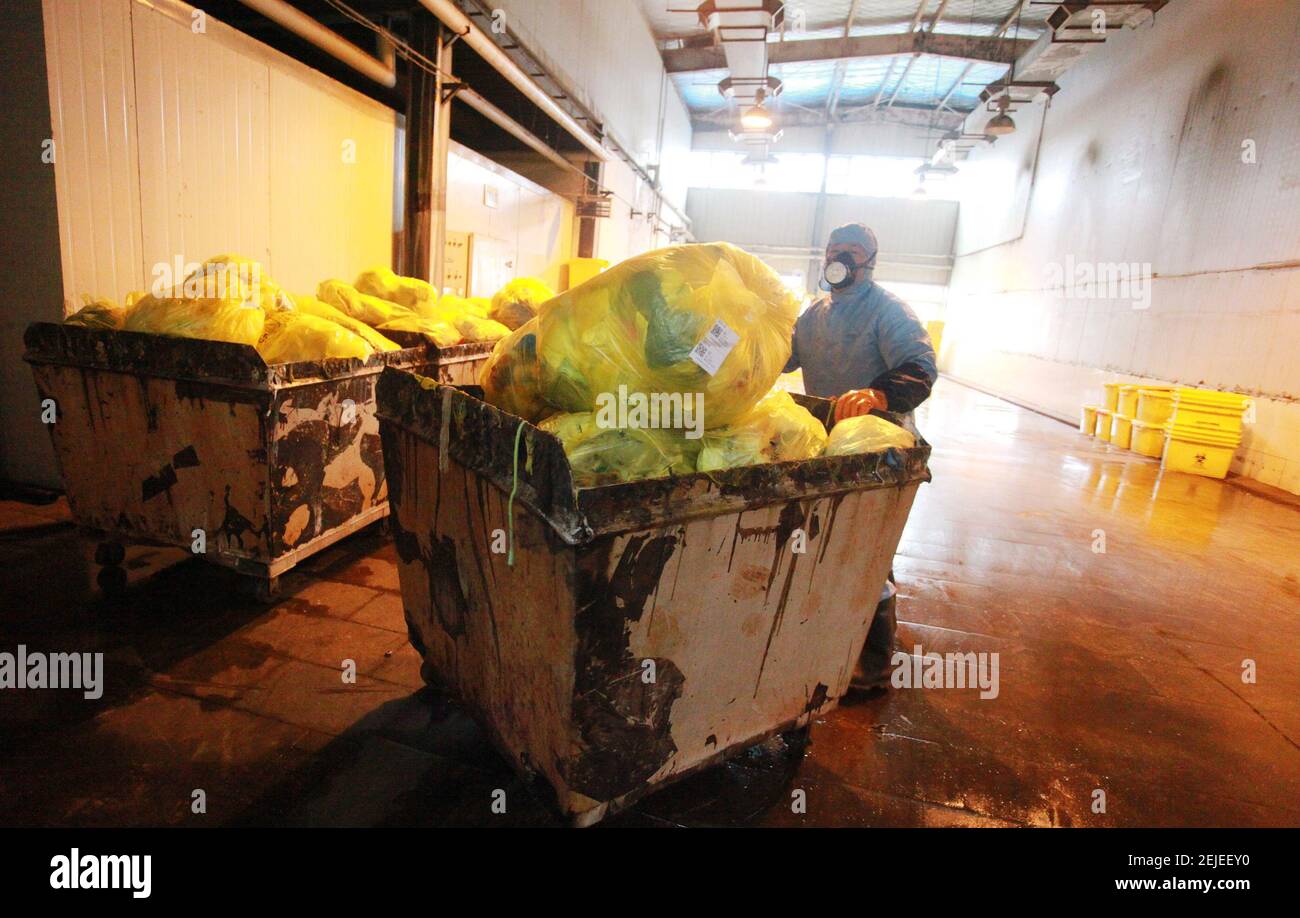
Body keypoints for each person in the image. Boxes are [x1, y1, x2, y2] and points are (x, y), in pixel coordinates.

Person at [785, 222, 937, 693]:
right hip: (831, 449)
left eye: (852, 252)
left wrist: (877, 393)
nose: (841, 259)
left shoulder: (889, 312)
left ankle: (871, 667)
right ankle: (830, 641)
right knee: (830, 547)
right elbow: (780, 357)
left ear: (870, 261)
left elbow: (921, 370)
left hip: (880, 452)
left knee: (870, 554)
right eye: (835, 250)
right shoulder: (813, 315)